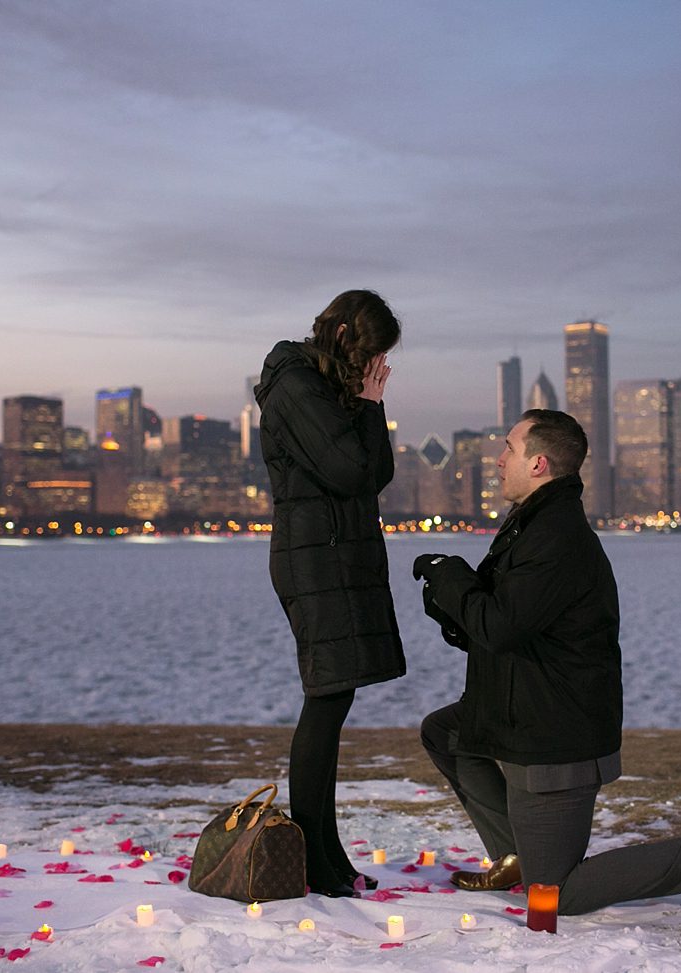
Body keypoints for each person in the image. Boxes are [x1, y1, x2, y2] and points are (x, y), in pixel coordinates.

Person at [412, 408, 681, 918]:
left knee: (554, 898)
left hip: (554, 738)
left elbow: (500, 625)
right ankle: (520, 855)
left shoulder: (555, 536)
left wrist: (451, 575)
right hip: (524, 711)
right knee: (447, 733)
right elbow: (504, 623)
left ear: (540, 463)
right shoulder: (531, 523)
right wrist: (452, 605)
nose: (498, 460)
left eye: (508, 449)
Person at [254, 289, 405, 898]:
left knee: (333, 700)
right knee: (325, 698)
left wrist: (369, 406)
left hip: (333, 554)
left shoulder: (325, 387)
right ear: (342, 333)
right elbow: (349, 472)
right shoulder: (296, 386)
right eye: (369, 352)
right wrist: (369, 405)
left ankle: (327, 851)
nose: (372, 367)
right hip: (313, 560)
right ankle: (315, 854)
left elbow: (379, 475)